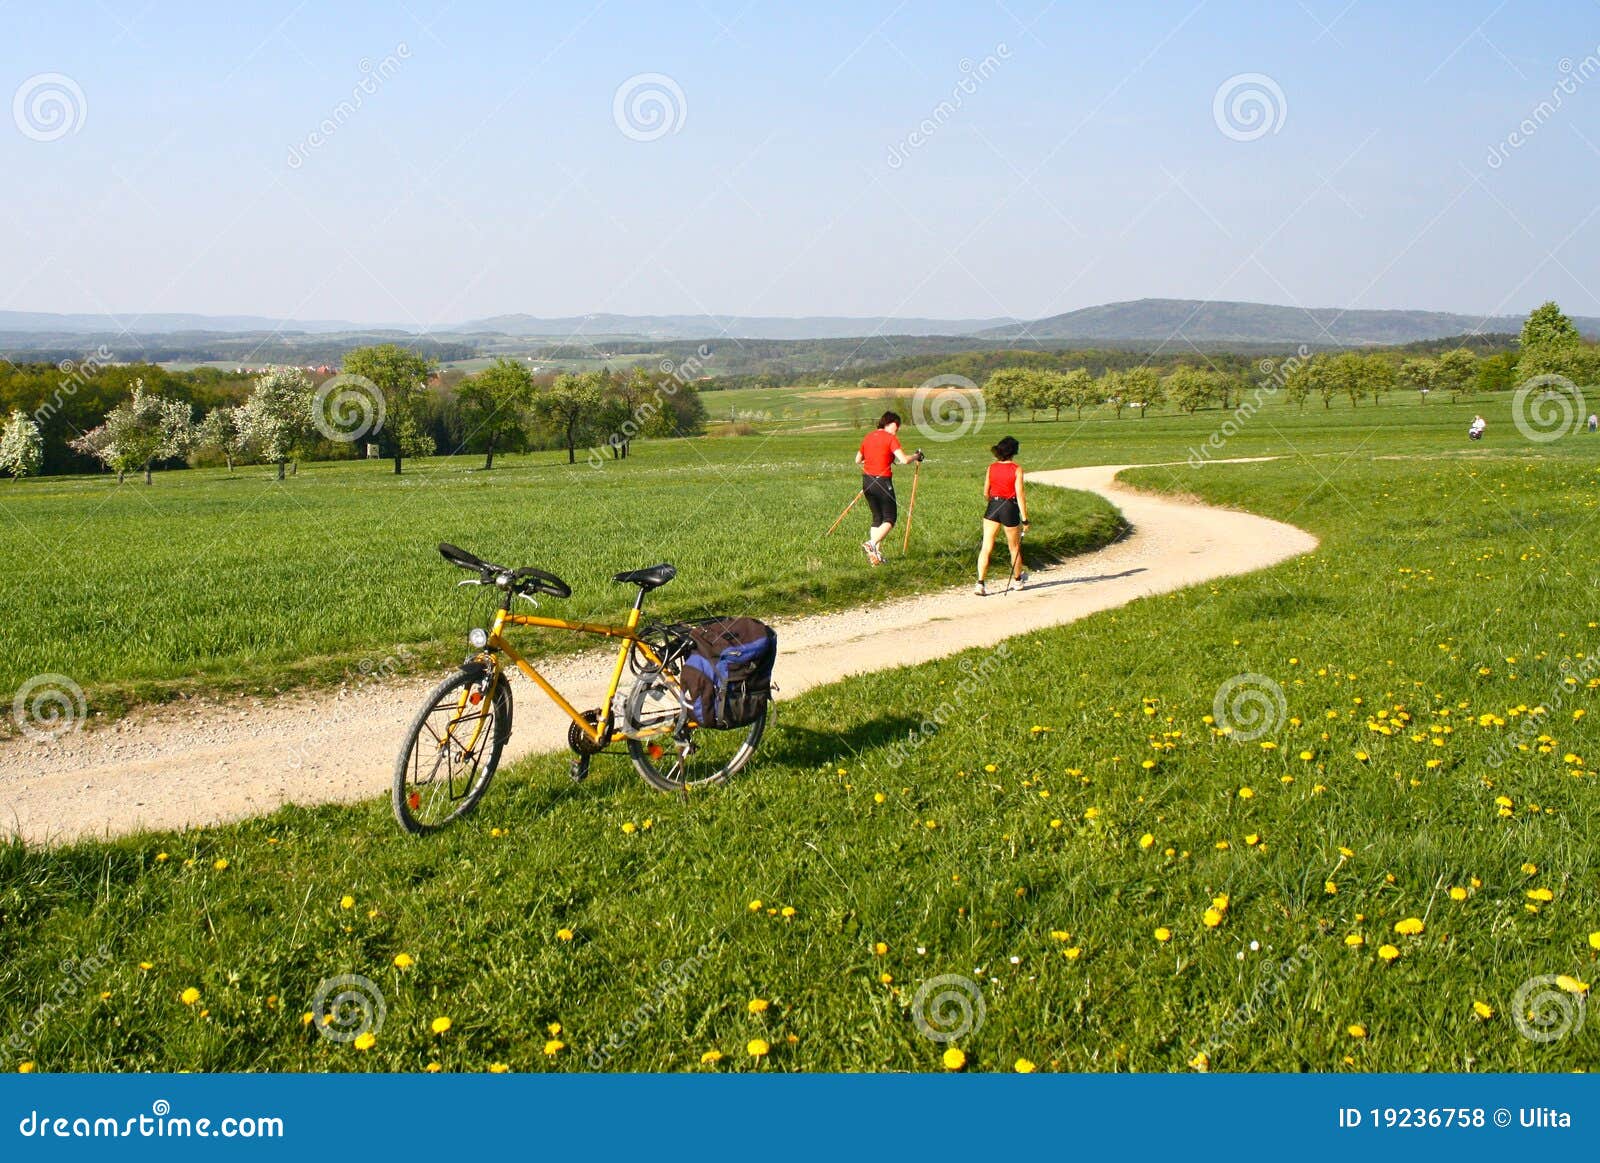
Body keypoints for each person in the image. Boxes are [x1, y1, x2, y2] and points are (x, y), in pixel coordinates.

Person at [855, 411, 922, 565]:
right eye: (896, 426)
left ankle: (876, 557)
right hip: (883, 482)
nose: (897, 429)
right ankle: (871, 544)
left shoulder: (868, 437)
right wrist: (916, 456)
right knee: (890, 518)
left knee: (877, 518)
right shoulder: (890, 438)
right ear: (889, 423)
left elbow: (857, 459)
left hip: (867, 481)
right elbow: (904, 460)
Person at [975, 435, 1028, 596]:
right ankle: (1018, 580)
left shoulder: (991, 467)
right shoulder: (1017, 469)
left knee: (986, 546)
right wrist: (1025, 519)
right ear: (1014, 452)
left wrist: (994, 501)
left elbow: (986, 492)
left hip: (993, 506)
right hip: (1009, 507)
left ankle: (980, 583)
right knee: (1014, 547)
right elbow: (1020, 494)